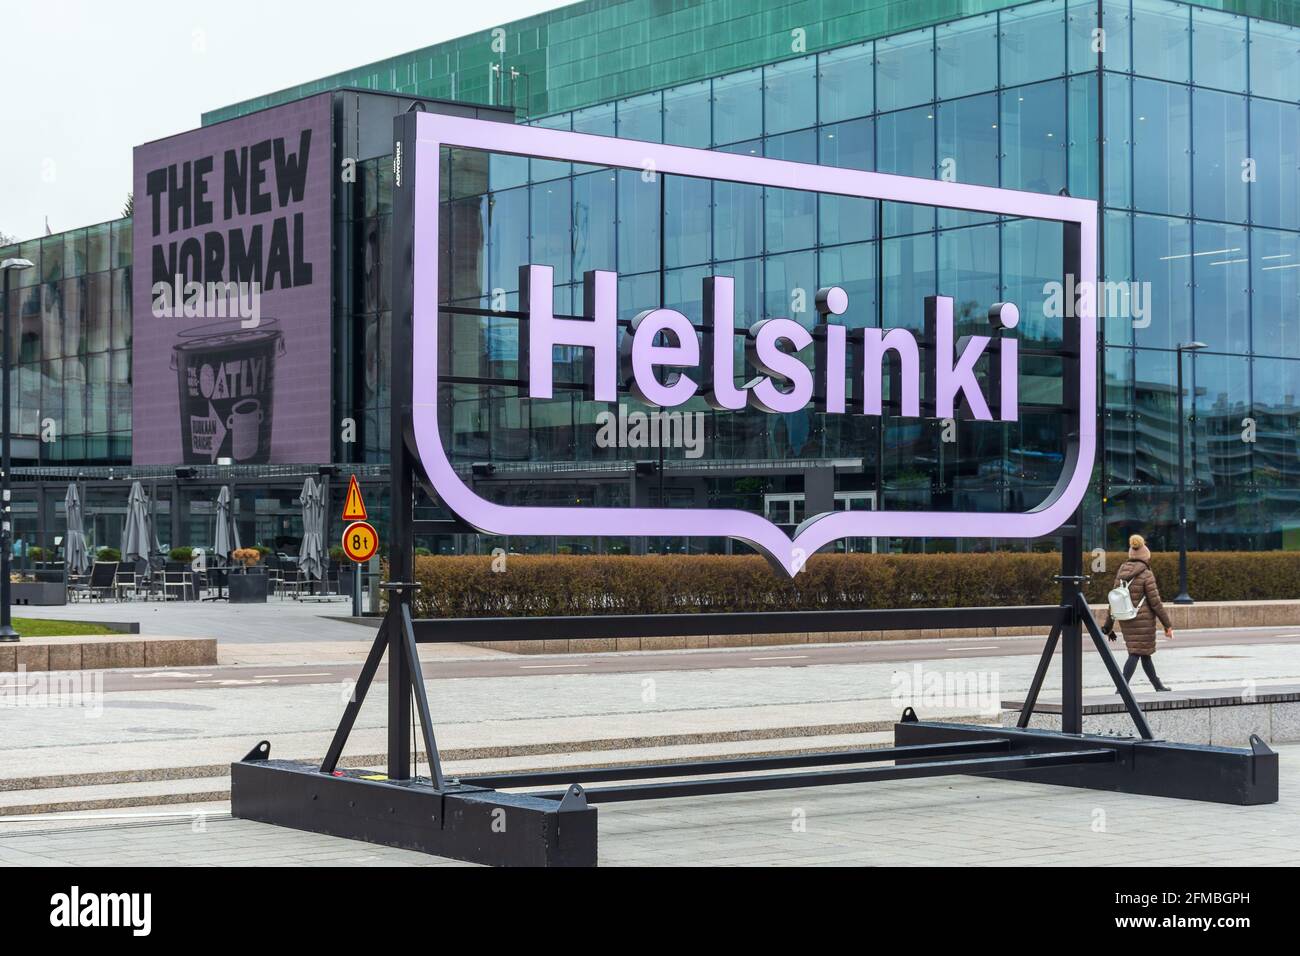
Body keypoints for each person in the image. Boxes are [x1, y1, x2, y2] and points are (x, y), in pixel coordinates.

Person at [1102, 533, 1174, 691]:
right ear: (1146, 557)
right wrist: (1167, 625)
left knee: (1144, 652)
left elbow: (1114, 600)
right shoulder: (1147, 574)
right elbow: (1155, 603)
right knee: (1136, 653)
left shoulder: (1122, 572)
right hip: (1144, 621)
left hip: (1126, 618)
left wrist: (1108, 626)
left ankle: (1157, 685)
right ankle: (1121, 687)